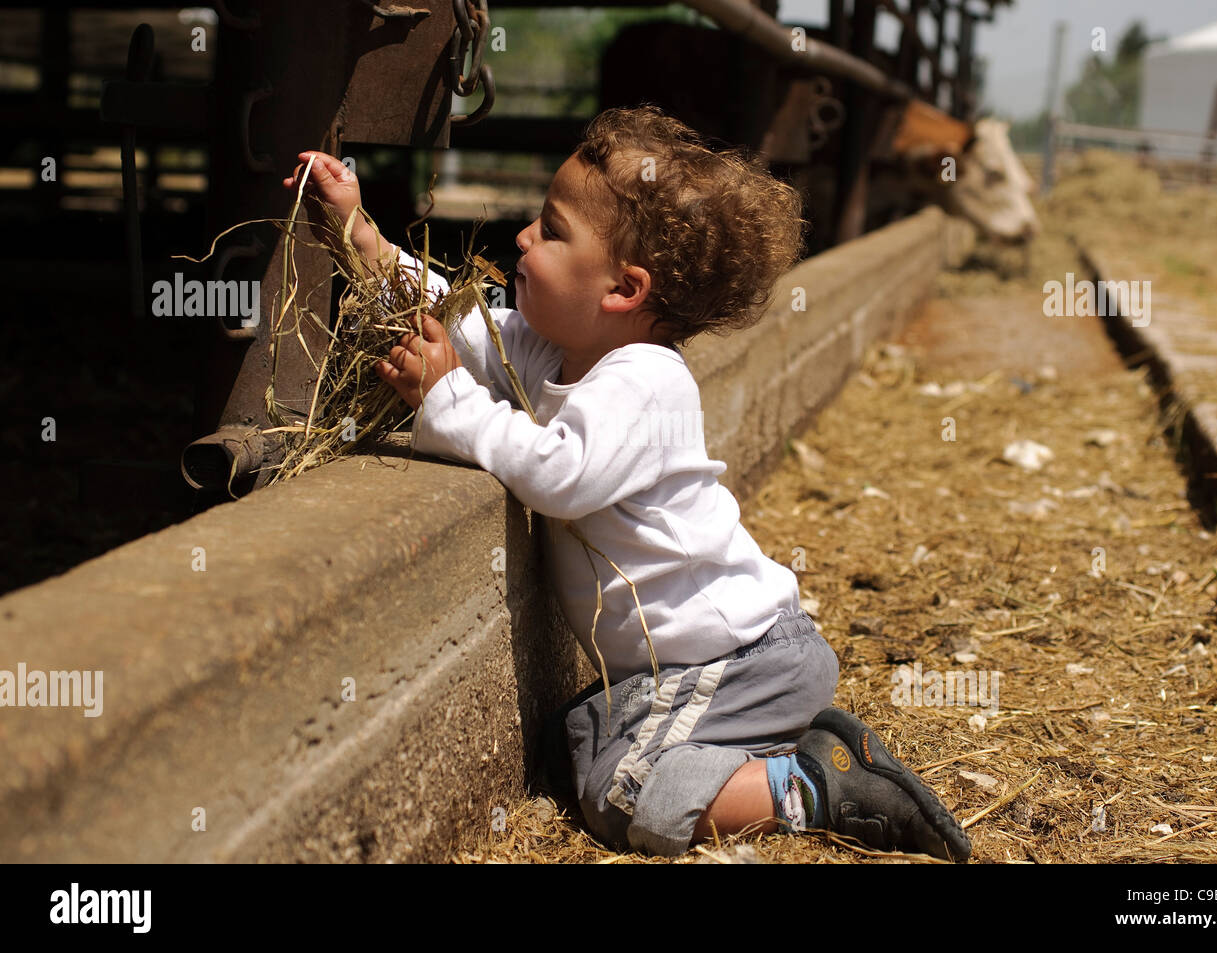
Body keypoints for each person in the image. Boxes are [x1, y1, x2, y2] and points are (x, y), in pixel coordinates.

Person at [283, 105, 971, 862]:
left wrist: (448, 398)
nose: (522, 236)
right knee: (576, 737)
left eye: (550, 230)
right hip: (710, 664)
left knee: (618, 789)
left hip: (739, 660)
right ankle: (792, 745)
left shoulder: (646, 381)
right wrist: (363, 234)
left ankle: (817, 783)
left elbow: (558, 476)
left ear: (622, 288)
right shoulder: (560, 350)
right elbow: (467, 323)